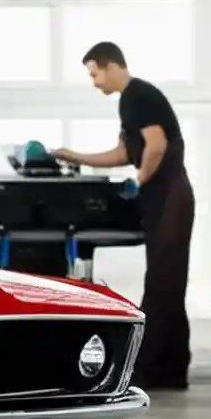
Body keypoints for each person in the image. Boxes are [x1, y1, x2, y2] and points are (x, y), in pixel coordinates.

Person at [52, 41, 194, 391]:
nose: (94, 82)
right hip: (162, 197)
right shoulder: (129, 100)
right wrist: (75, 156)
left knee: (162, 284)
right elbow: (123, 153)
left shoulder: (138, 95)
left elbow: (156, 146)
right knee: (167, 283)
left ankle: (150, 369)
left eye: (95, 74)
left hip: (169, 196)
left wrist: (140, 180)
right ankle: (170, 371)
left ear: (111, 66)